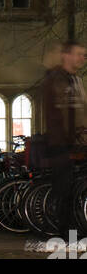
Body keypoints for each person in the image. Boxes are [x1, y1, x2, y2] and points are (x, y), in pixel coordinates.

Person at [40, 39, 87, 245]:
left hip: (75, 142)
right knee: (64, 191)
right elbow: (61, 114)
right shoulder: (58, 80)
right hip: (62, 145)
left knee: (73, 190)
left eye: (83, 54)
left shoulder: (75, 80)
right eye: (78, 53)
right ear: (66, 55)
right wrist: (69, 142)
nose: (82, 58)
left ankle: (75, 231)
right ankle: (66, 235)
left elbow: (80, 111)